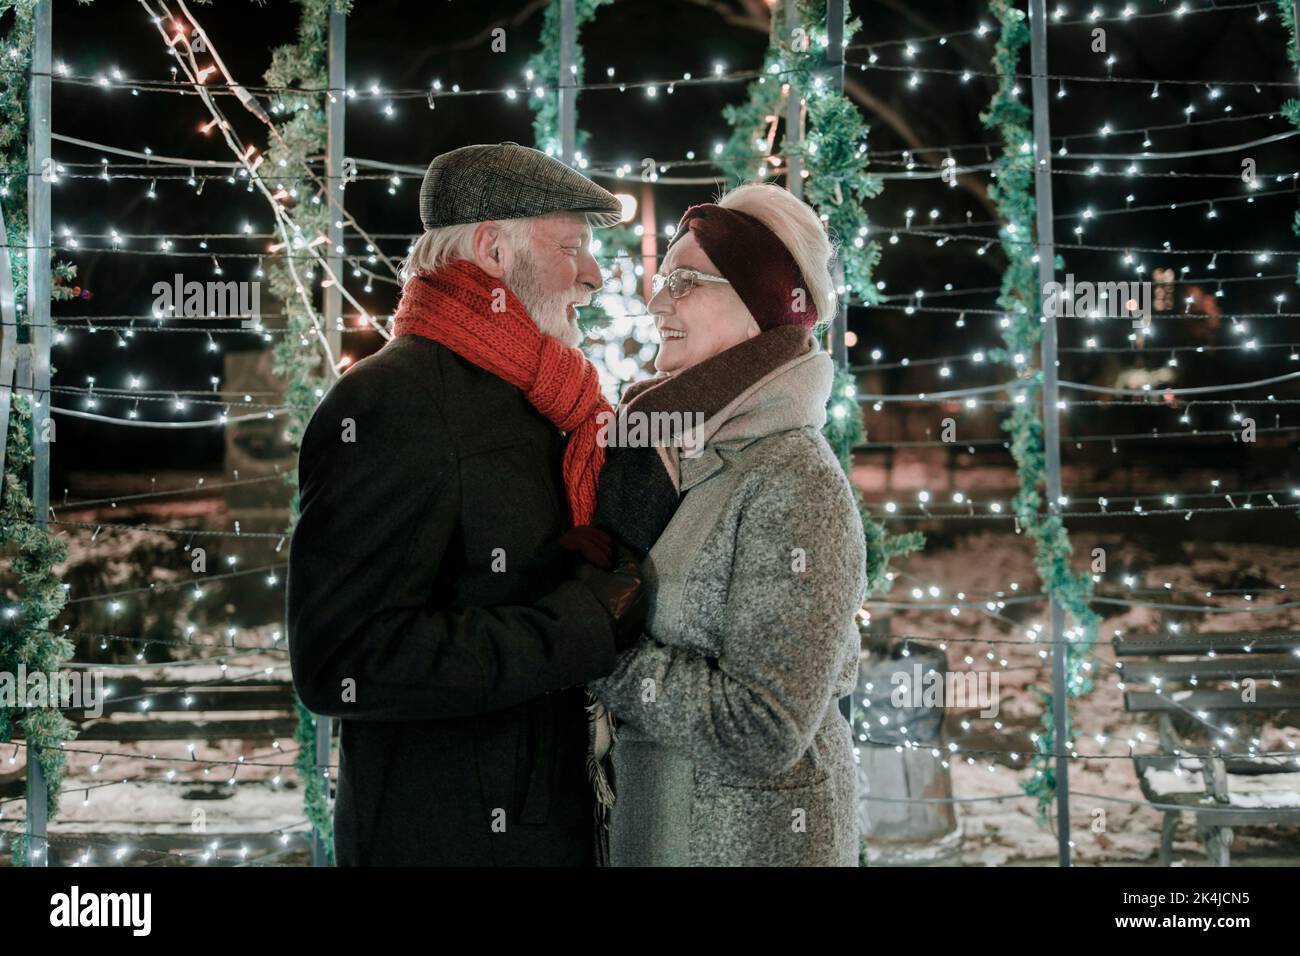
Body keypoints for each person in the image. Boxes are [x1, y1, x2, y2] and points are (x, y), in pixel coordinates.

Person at [288, 142, 646, 866]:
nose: (595, 275)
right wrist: (575, 627)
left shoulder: (548, 398)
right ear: (491, 249)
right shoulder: (392, 402)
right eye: (571, 247)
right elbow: (338, 660)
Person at [589, 183, 867, 866]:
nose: (657, 304)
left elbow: (767, 727)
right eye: (661, 281)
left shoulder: (795, 481)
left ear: (759, 305)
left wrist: (598, 646)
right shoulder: (670, 451)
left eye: (685, 282)